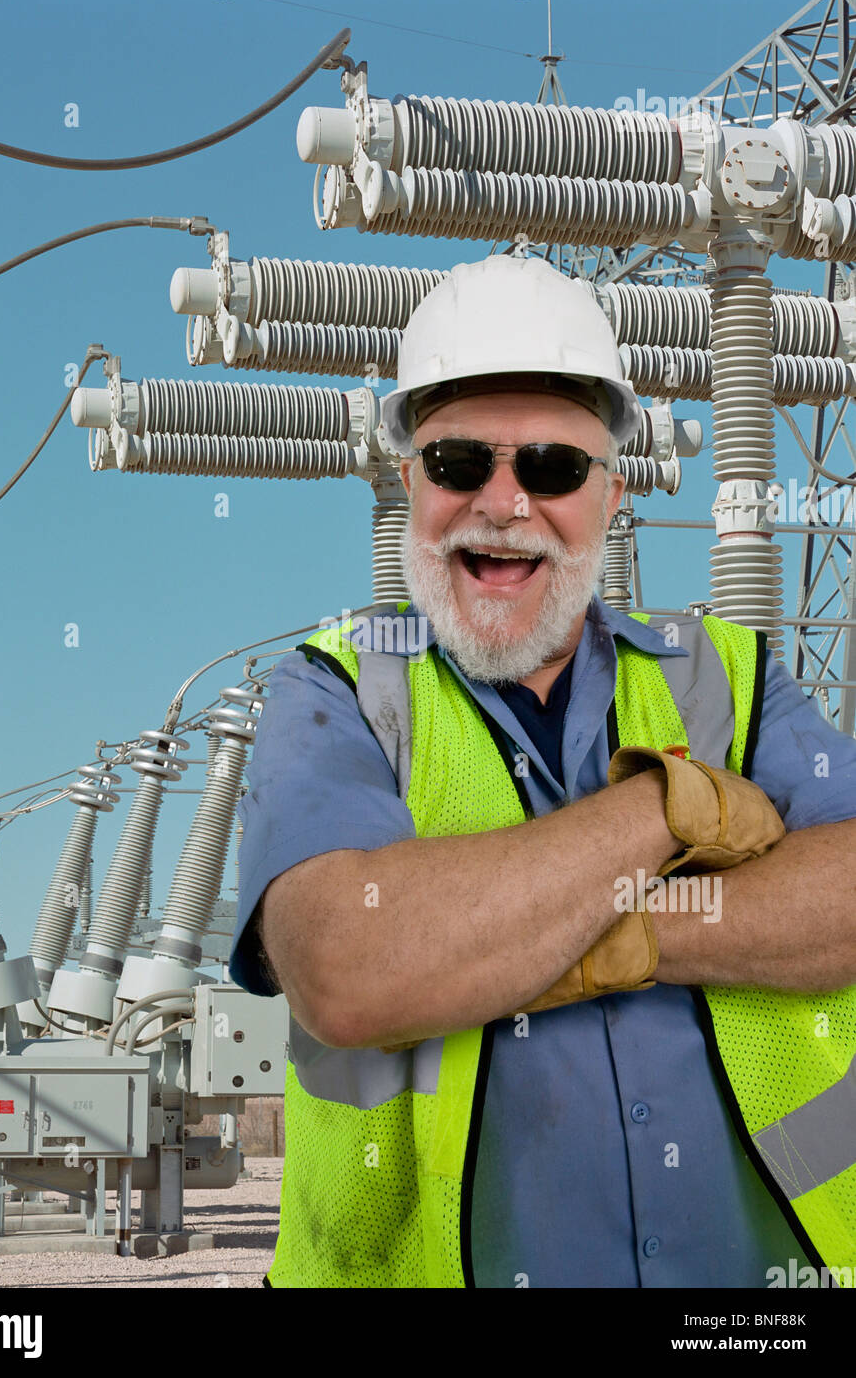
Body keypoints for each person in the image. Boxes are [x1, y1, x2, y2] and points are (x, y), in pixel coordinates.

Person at [227, 255, 856, 1289]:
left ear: (610, 492)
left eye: (553, 469)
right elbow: (348, 969)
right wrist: (662, 810)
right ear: (407, 484)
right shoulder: (336, 691)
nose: (504, 502)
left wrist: (612, 934)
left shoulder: (724, 676)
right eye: (458, 462)